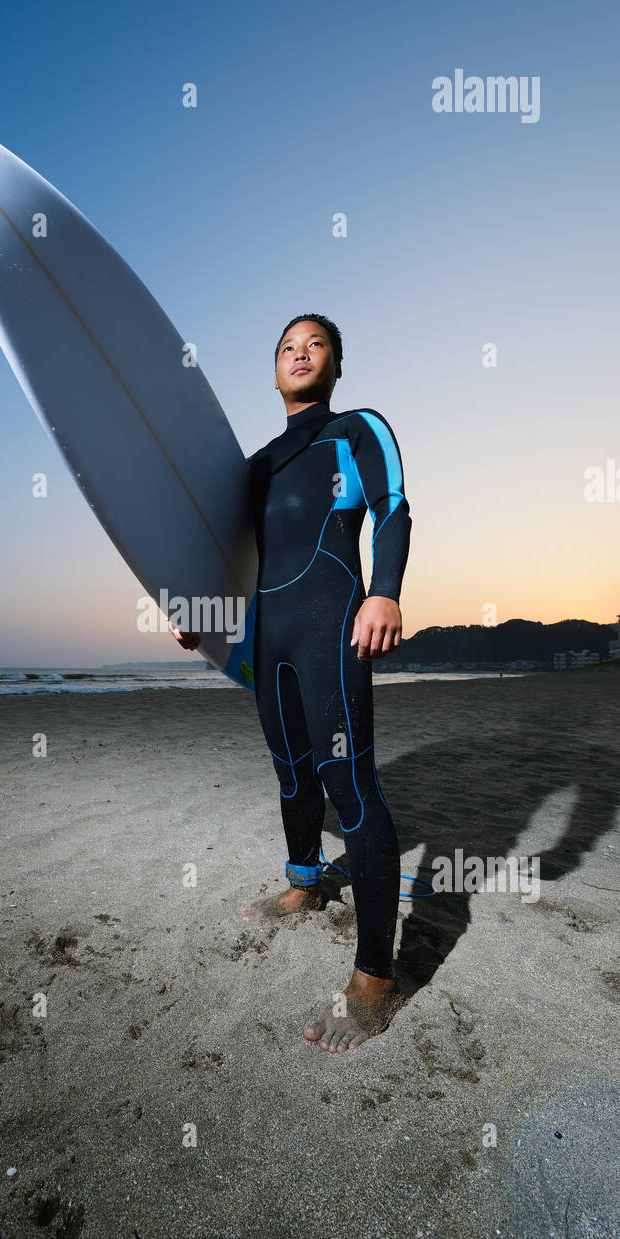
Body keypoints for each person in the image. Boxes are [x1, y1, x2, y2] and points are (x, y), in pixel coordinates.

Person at [175, 315, 411, 1053]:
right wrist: (202, 616)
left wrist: (385, 590)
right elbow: (231, 555)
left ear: (335, 364)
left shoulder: (357, 428)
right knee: (290, 773)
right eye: (287, 347)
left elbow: (393, 508)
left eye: (314, 345)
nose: (300, 353)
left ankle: (375, 976)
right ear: (273, 371)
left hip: (329, 622)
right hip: (264, 638)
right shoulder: (253, 466)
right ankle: (305, 881)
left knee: (349, 782)